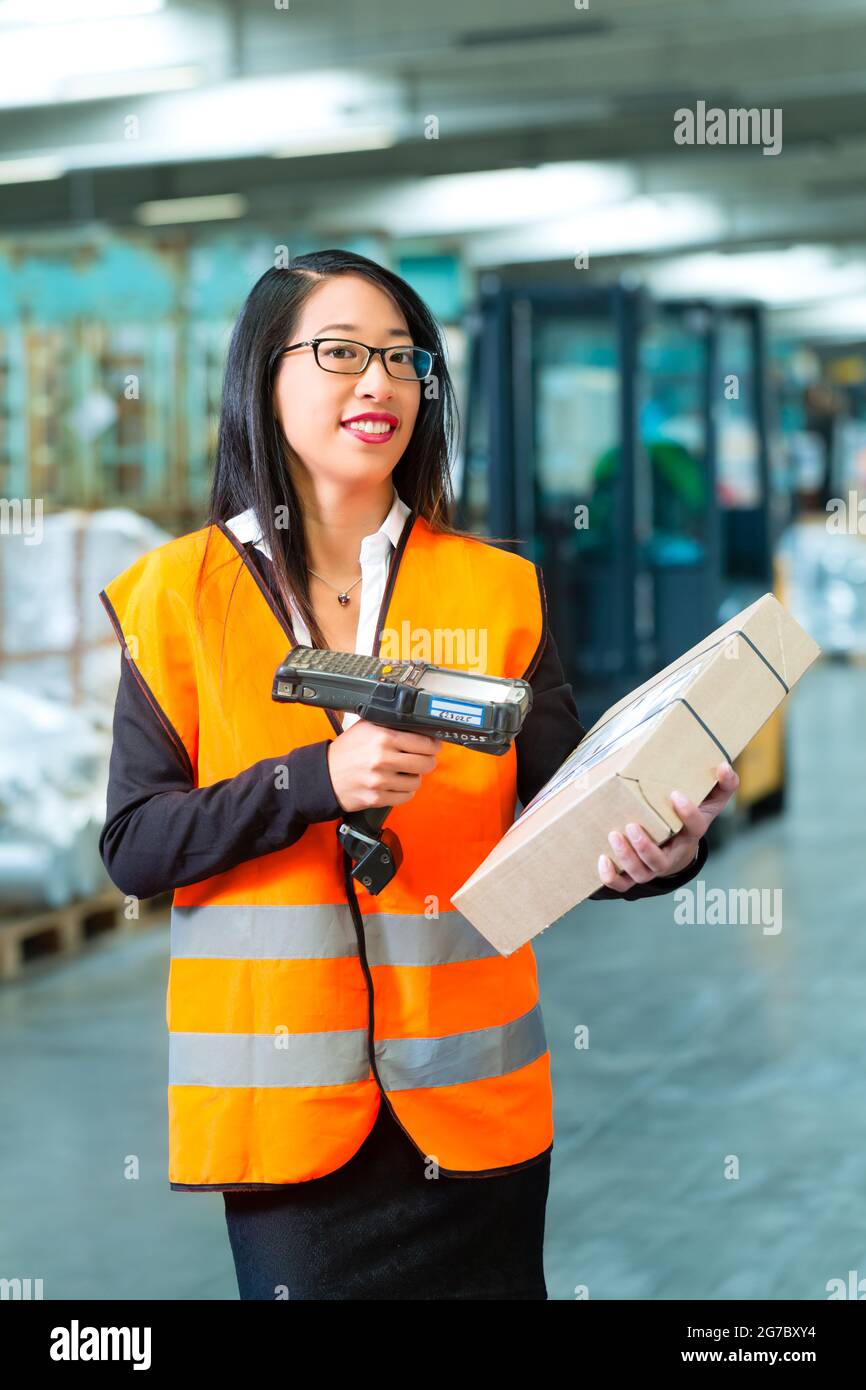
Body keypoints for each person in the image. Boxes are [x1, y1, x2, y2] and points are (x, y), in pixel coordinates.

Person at [98, 249, 738, 1301]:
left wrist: (659, 850)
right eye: (340, 352)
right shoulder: (178, 598)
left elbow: (563, 815)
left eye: (403, 359)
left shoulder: (494, 591)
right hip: (287, 1124)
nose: (378, 383)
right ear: (263, 374)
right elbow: (135, 847)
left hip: (475, 1113)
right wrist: (314, 779)